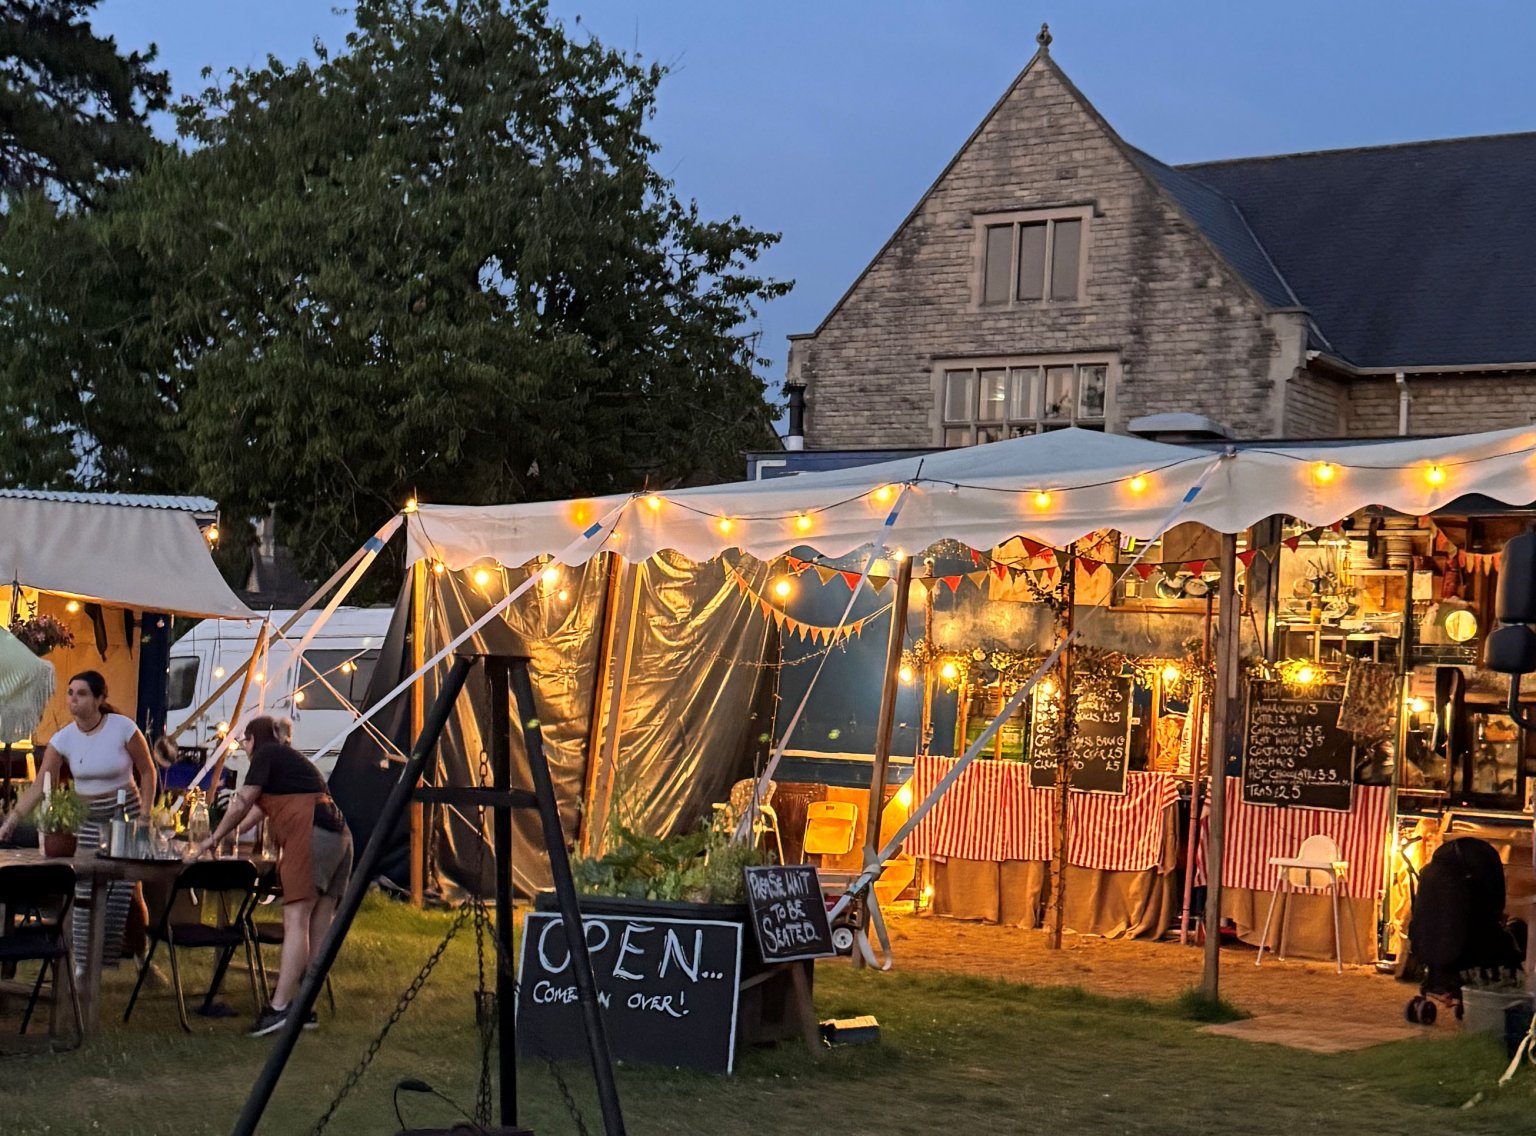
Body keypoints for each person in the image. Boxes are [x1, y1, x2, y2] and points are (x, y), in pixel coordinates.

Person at [198, 715, 352, 1037]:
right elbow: (254, 813)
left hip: (311, 833)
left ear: (255, 738)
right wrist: (229, 834)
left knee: (296, 920)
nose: (245, 746)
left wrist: (213, 838)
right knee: (318, 924)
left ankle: (278, 1008)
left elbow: (242, 801)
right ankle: (304, 1008)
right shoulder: (289, 762)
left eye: (245, 741)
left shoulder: (266, 754)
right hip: (338, 834)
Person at [0, 670, 156, 974]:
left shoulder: (123, 728)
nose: (73, 699)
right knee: (84, 886)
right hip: (86, 817)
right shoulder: (64, 739)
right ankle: (84, 962)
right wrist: (12, 820)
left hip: (124, 812)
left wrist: (146, 817)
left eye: (82, 693)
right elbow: (41, 783)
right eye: (70, 693)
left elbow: (148, 771)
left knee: (127, 889)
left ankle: (139, 954)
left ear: (99, 699)